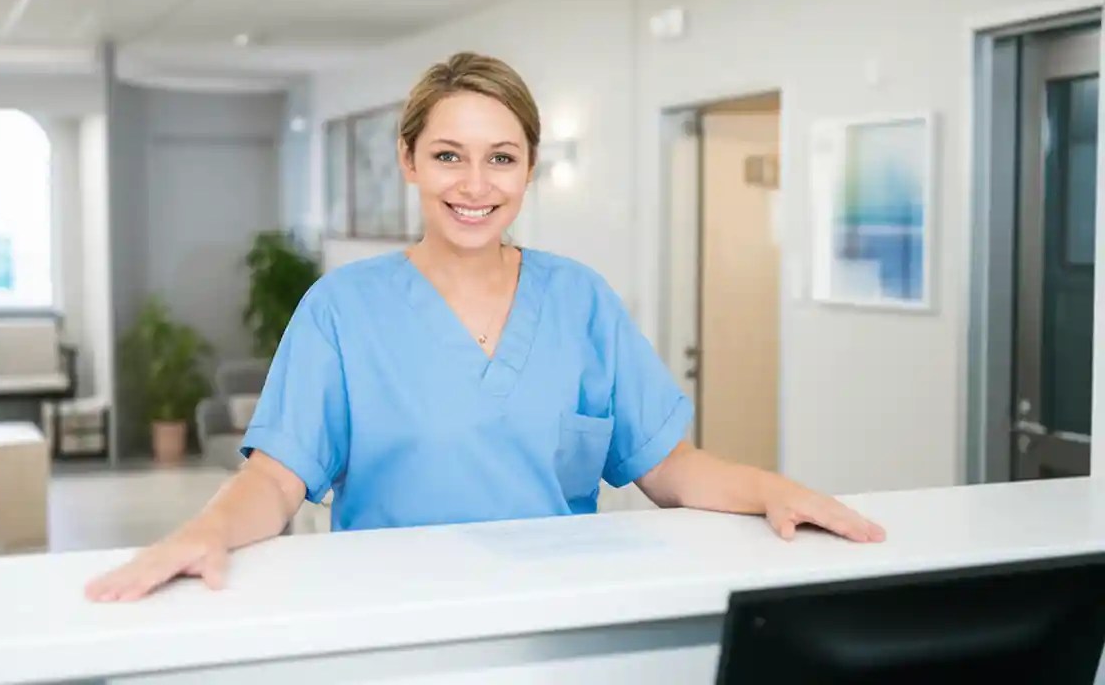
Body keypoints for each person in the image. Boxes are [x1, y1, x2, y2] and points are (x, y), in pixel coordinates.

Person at [85, 52, 884, 603]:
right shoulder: (343, 309)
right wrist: (204, 533)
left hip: (560, 623)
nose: (475, 185)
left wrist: (778, 491)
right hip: (395, 624)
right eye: (448, 156)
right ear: (408, 160)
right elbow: (275, 478)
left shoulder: (580, 300)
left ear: (531, 166)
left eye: (501, 158)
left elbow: (669, 466)